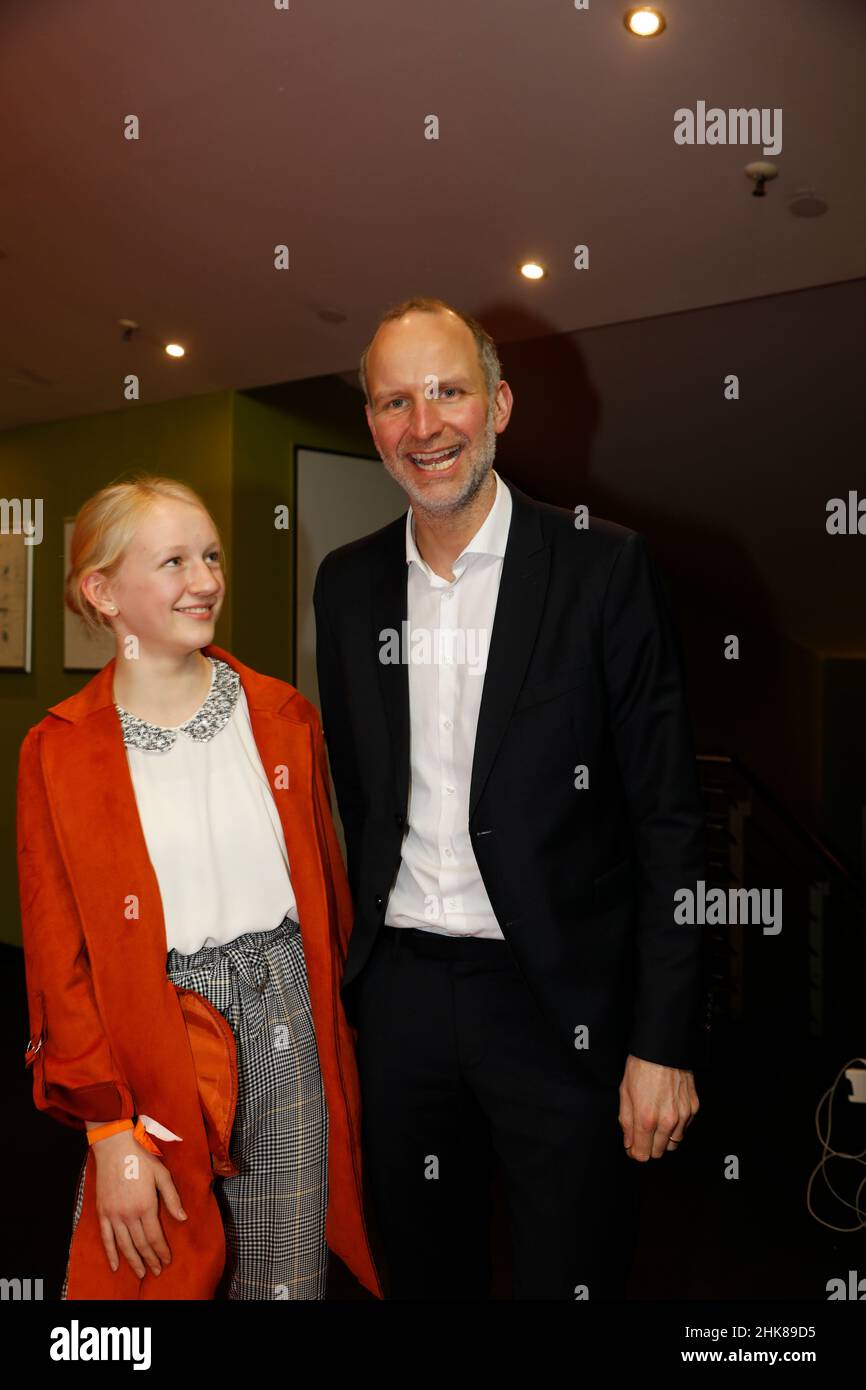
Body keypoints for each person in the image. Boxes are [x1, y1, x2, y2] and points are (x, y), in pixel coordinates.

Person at [313, 297, 710, 1300]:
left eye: (448, 390)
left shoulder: (602, 566)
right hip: (400, 998)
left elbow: (667, 819)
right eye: (394, 400)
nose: (424, 423)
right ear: (371, 425)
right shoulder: (346, 585)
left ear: (498, 404)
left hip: (557, 1005)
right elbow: (360, 796)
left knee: (568, 1272)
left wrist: (659, 1040)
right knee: (419, 1269)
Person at [17, 475, 382, 1301]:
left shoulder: (283, 713)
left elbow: (330, 898)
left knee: (286, 1279)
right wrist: (109, 1131)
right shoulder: (59, 752)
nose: (208, 580)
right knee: (151, 1281)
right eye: (175, 561)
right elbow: (59, 961)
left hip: (288, 1009)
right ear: (102, 591)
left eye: (211, 556)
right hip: (154, 1027)